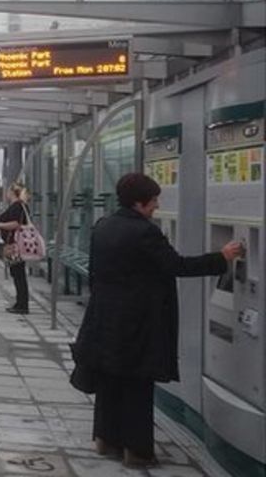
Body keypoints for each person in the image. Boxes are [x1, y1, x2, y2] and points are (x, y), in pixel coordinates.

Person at [74, 172, 243, 468]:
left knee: (110, 380)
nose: (157, 206)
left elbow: (97, 273)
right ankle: (137, 452)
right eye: (153, 201)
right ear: (139, 203)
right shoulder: (145, 232)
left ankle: (106, 440)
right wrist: (222, 257)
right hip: (137, 323)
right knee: (137, 386)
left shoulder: (104, 226)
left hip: (104, 319)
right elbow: (177, 265)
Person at [0, 182, 31, 314]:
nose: (6, 194)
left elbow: (16, 224)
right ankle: (20, 302)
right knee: (17, 273)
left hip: (15, 244)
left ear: (12, 192)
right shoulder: (20, 206)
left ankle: (22, 304)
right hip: (15, 244)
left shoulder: (18, 206)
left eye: (8, 191)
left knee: (18, 273)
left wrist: (0, 225)